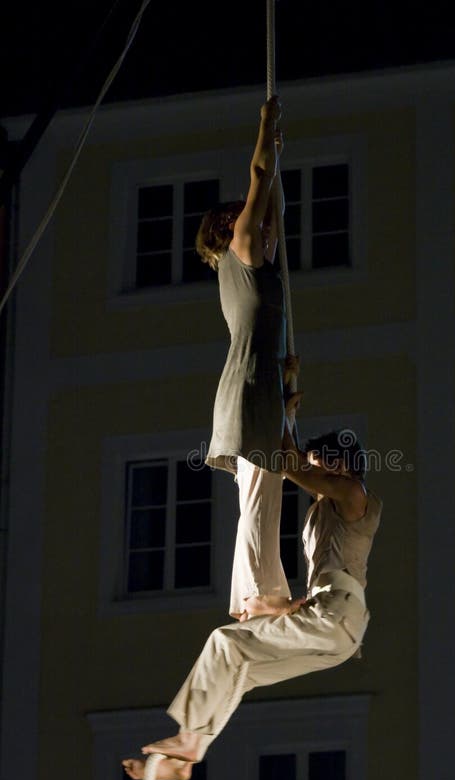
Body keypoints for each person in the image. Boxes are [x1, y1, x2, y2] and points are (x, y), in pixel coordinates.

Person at [122, 397, 382, 780]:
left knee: (225, 644)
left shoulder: (354, 494)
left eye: (319, 470)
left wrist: (283, 415)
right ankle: (187, 757)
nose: (314, 486)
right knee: (242, 667)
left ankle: (188, 741)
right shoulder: (325, 511)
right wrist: (280, 608)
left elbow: (292, 464)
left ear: (336, 465)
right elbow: (328, 584)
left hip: (337, 618)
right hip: (338, 628)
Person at [196, 94, 299, 622]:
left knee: (265, 494)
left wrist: (276, 165)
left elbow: (273, 207)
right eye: (243, 213)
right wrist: (266, 126)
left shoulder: (258, 259)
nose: (254, 218)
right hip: (246, 387)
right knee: (260, 492)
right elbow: (259, 177)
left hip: (257, 387)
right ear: (227, 227)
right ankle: (256, 598)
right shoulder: (240, 247)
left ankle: (253, 595)